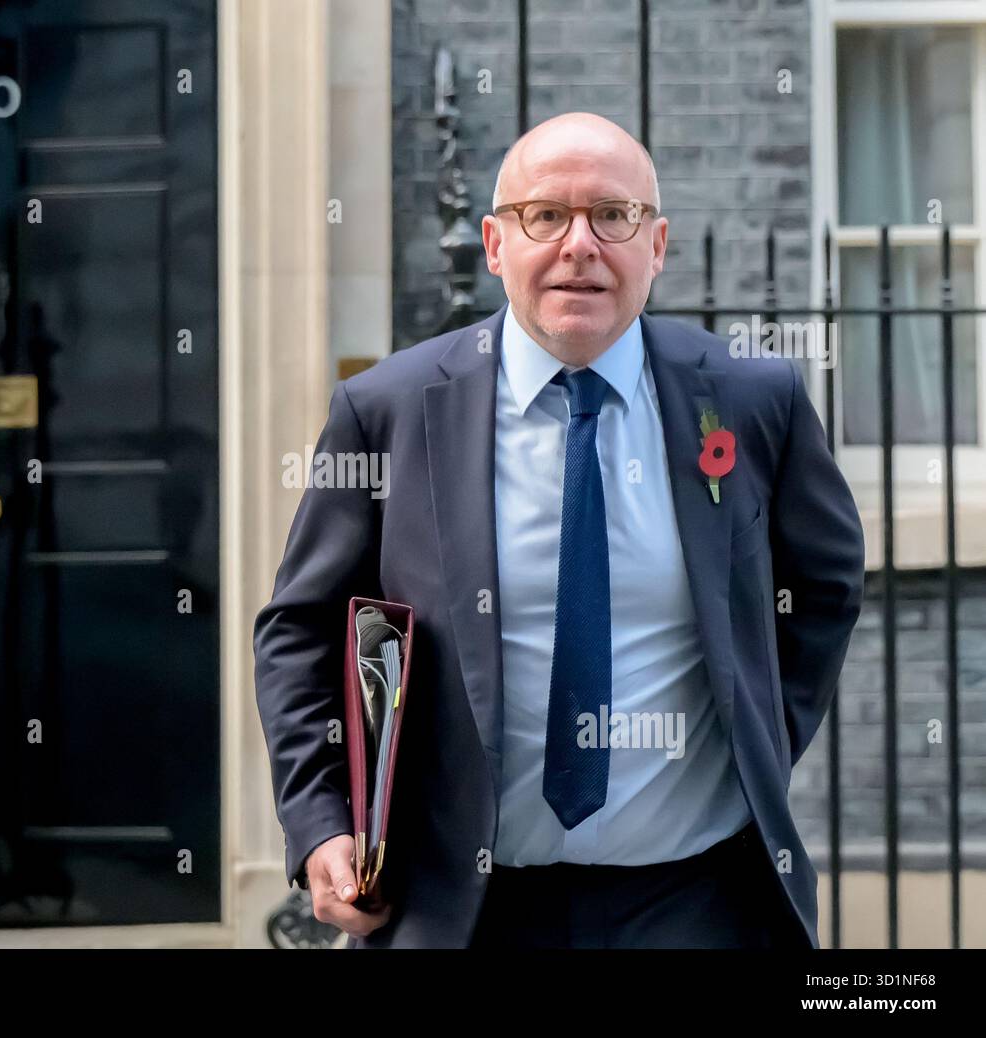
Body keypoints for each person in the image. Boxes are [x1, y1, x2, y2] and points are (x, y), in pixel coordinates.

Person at [253, 112, 865, 948]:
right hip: (464, 910)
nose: (581, 245)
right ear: (495, 243)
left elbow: (824, 587)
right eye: (546, 216)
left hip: (699, 904)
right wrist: (322, 821)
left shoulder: (755, 399)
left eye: (614, 216)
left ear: (656, 245)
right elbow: (301, 627)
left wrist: (756, 738)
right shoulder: (387, 411)